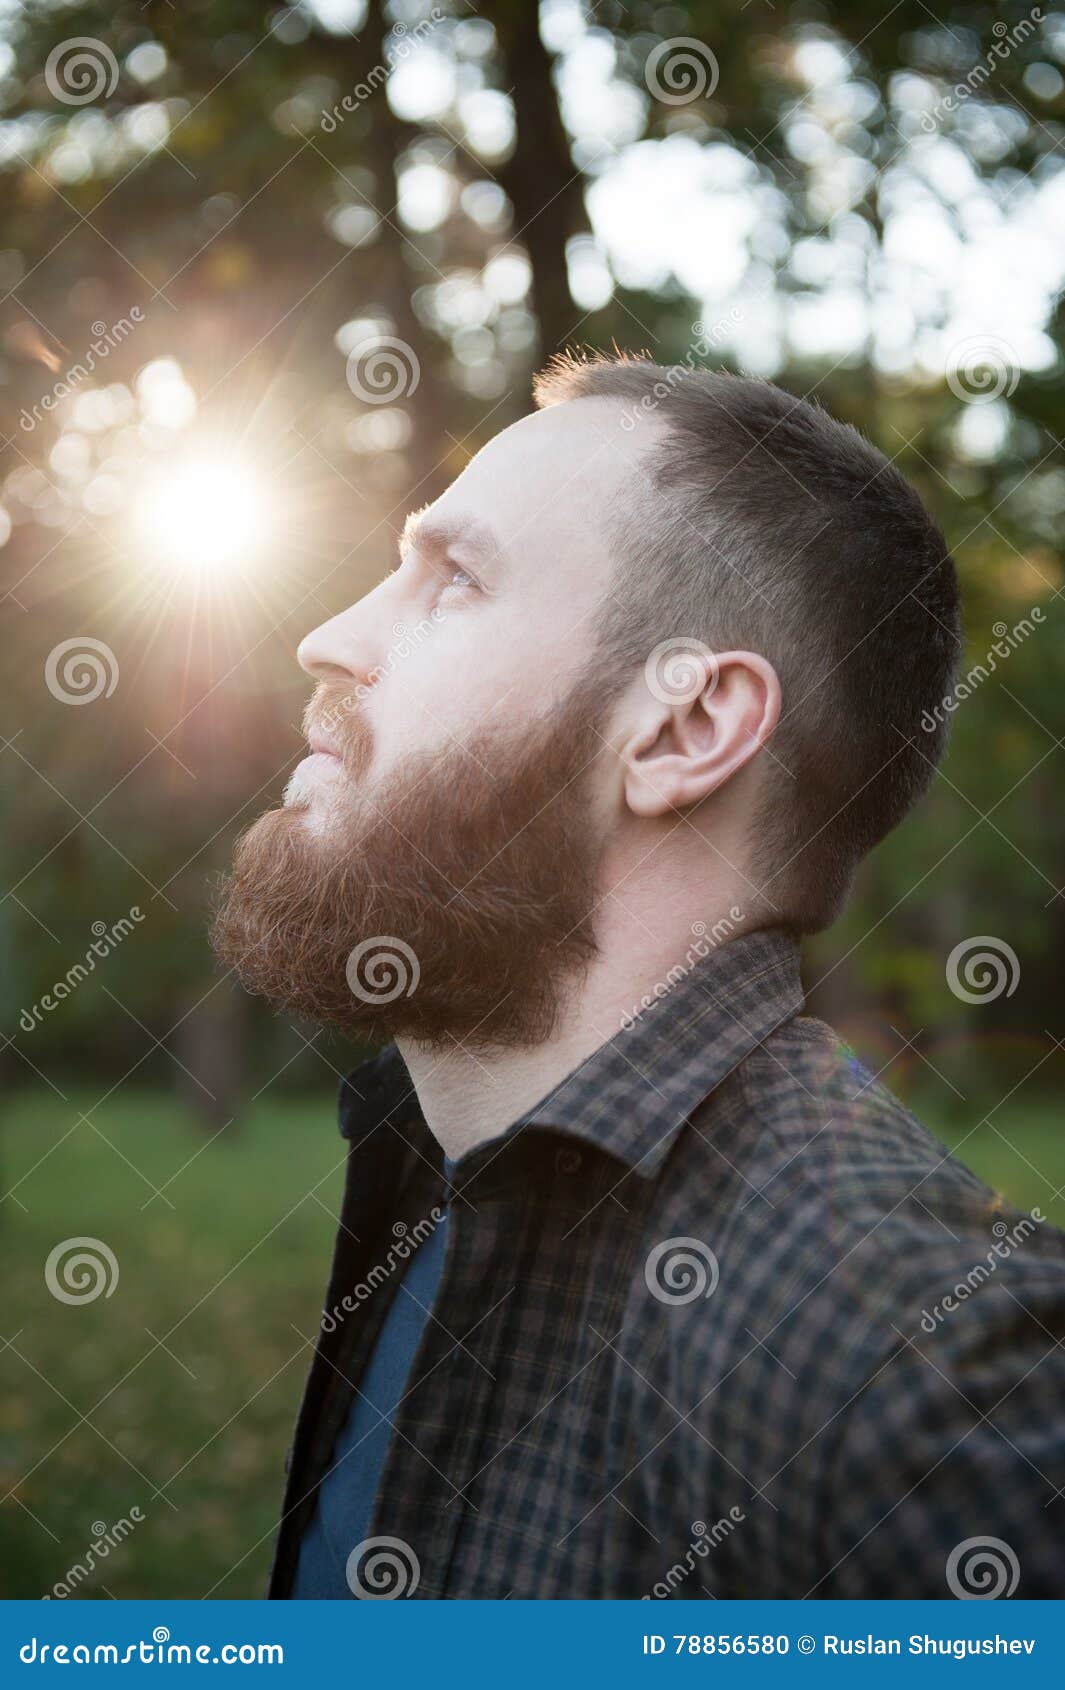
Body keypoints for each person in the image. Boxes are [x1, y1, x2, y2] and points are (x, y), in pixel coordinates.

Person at [213, 352, 1065, 1600]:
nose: (327, 639)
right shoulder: (427, 1163)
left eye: (455, 580)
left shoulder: (928, 1369)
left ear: (684, 729)